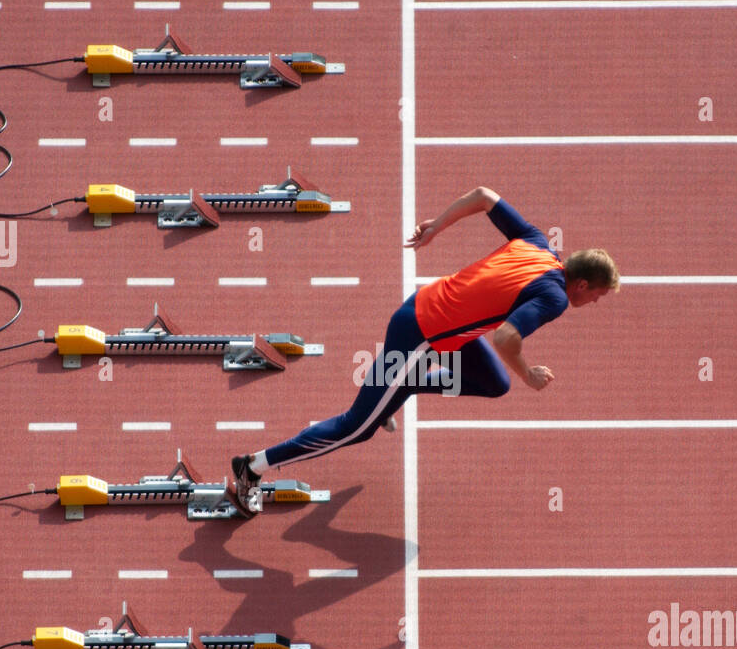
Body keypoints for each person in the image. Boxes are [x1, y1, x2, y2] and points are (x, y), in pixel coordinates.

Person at [226, 186, 618, 517]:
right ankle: (252, 468)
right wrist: (529, 374)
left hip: (431, 308)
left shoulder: (538, 243)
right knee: (356, 427)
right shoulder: (555, 297)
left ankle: (404, 386)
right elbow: (505, 339)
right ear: (581, 284)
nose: (596, 302)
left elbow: (484, 196)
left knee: (494, 382)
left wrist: (437, 226)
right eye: (598, 295)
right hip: (420, 334)